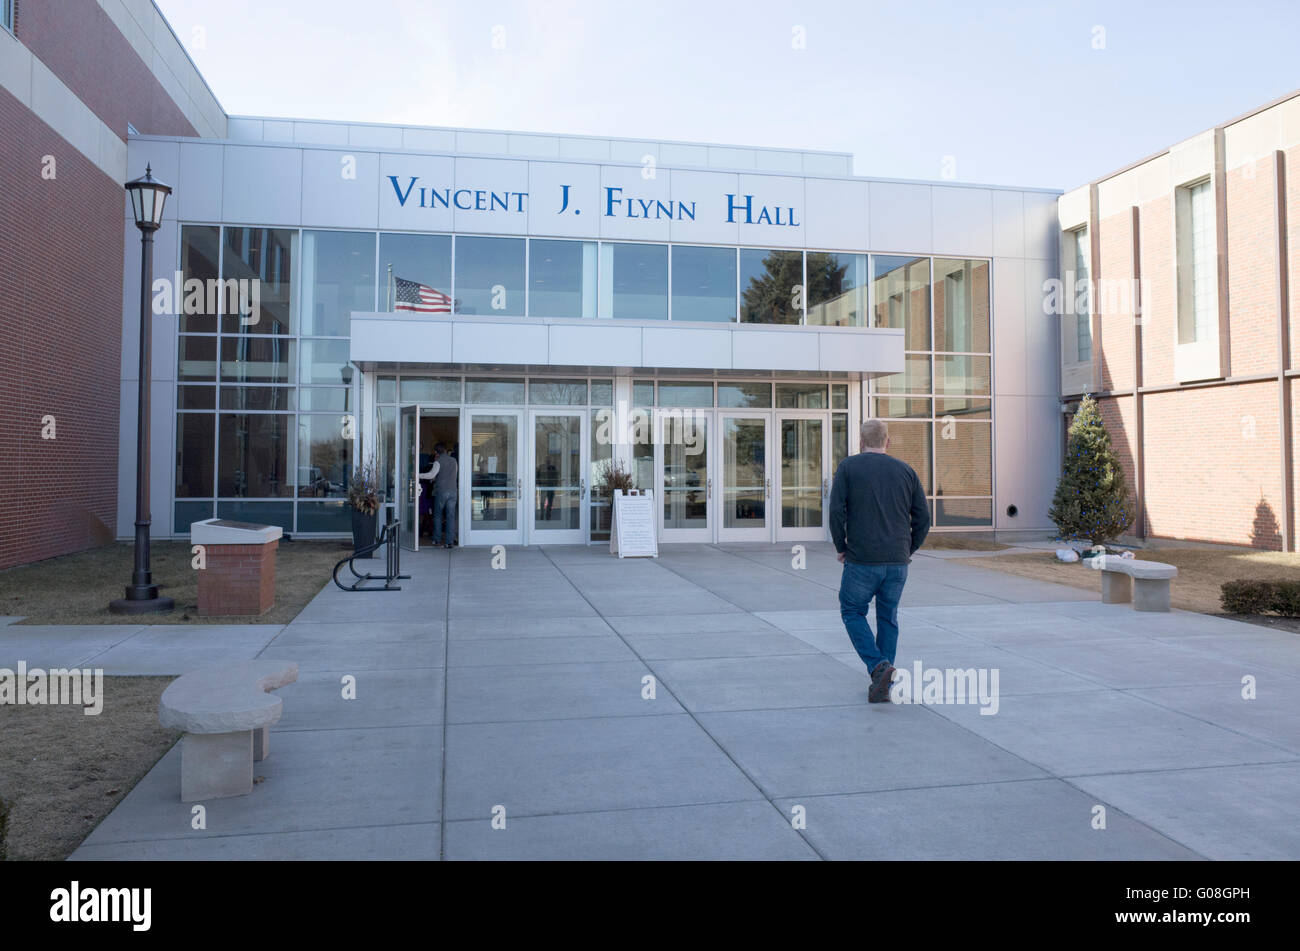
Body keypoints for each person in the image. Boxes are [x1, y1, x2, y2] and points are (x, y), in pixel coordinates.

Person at [829, 419, 930, 703]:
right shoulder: (906, 471)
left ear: (860, 441)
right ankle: (882, 680)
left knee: (851, 611)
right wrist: (908, 549)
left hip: (862, 560)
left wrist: (841, 545)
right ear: (888, 441)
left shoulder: (848, 467)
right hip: (897, 563)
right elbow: (923, 518)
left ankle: (878, 667)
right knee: (888, 617)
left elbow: (836, 511)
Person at [429, 442, 459, 548]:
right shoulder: (454, 460)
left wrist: (417, 475)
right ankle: (449, 542)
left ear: (436, 452)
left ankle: (437, 540)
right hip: (453, 491)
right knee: (450, 516)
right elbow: (455, 474)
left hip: (441, 491)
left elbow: (431, 475)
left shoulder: (438, 461)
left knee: (438, 516)